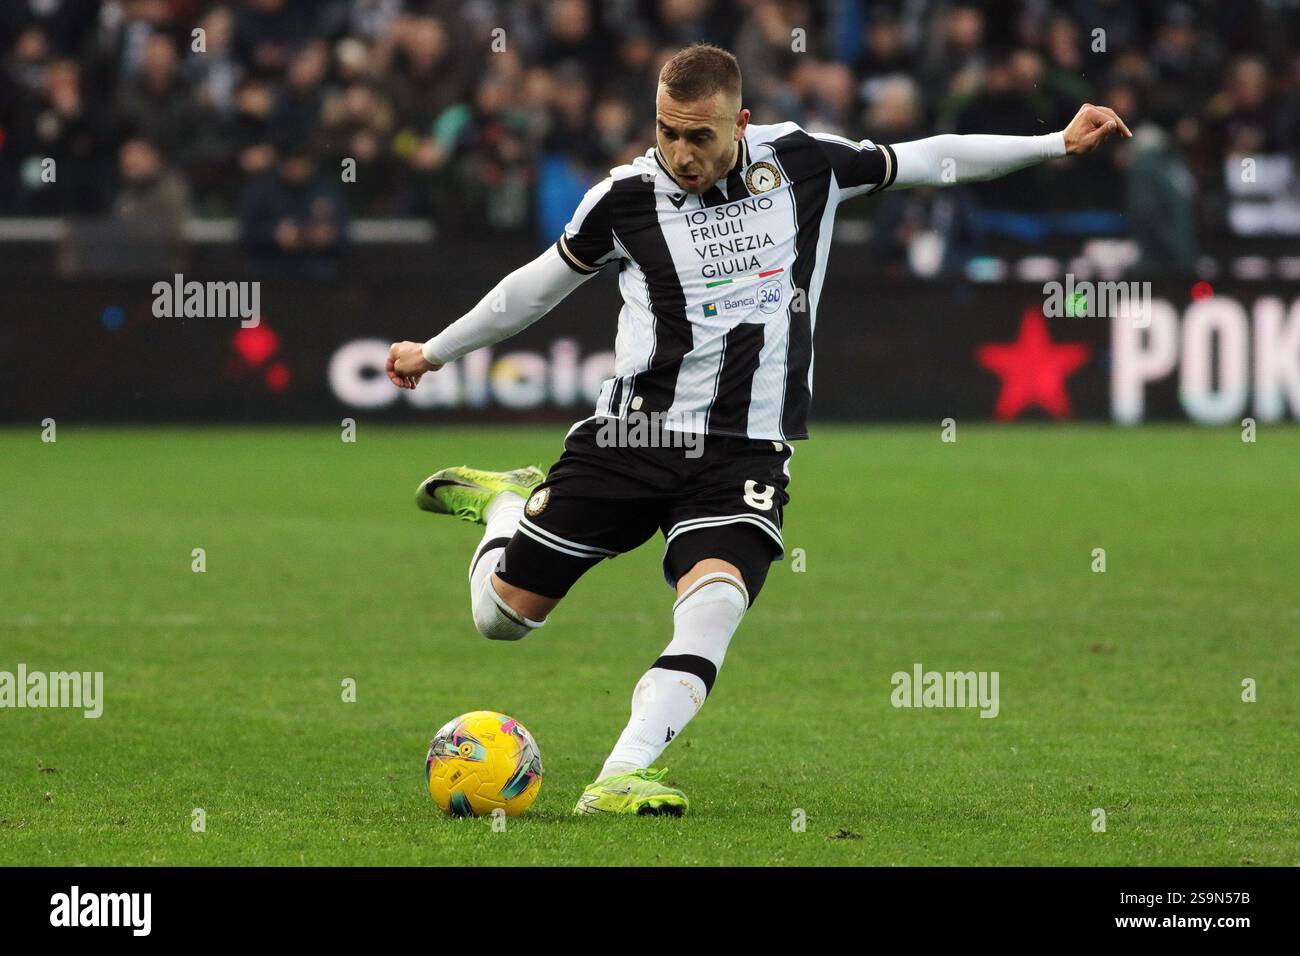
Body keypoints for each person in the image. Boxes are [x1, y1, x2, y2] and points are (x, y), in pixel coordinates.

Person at [385, 43, 1129, 816]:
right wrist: (435, 351)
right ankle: (509, 503)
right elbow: (533, 290)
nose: (682, 152)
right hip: (632, 439)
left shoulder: (805, 165)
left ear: (740, 121)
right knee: (500, 620)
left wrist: (1054, 143)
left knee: (715, 599)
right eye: (669, 132)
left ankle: (619, 775)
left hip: (745, 448)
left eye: (700, 135)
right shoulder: (623, 199)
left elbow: (926, 158)